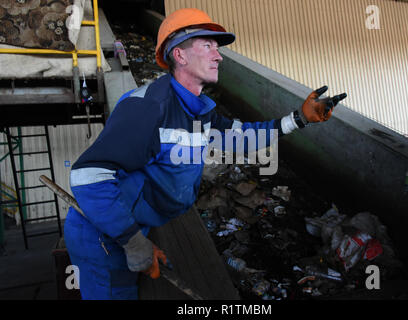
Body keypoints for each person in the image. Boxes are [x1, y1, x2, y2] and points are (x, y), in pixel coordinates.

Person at [63, 7, 347, 299]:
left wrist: (297, 119)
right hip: (101, 233)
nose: (218, 55)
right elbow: (88, 175)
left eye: (217, 47)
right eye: (208, 45)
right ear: (179, 55)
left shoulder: (199, 111)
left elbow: (240, 138)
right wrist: (132, 241)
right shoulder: (149, 108)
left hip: (133, 224)